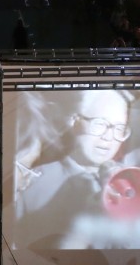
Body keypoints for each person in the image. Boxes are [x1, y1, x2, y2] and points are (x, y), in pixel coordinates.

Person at [15, 89, 137, 250]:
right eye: (100, 124)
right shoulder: (29, 181)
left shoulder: (132, 185)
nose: (109, 137)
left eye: (119, 128)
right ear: (74, 121)